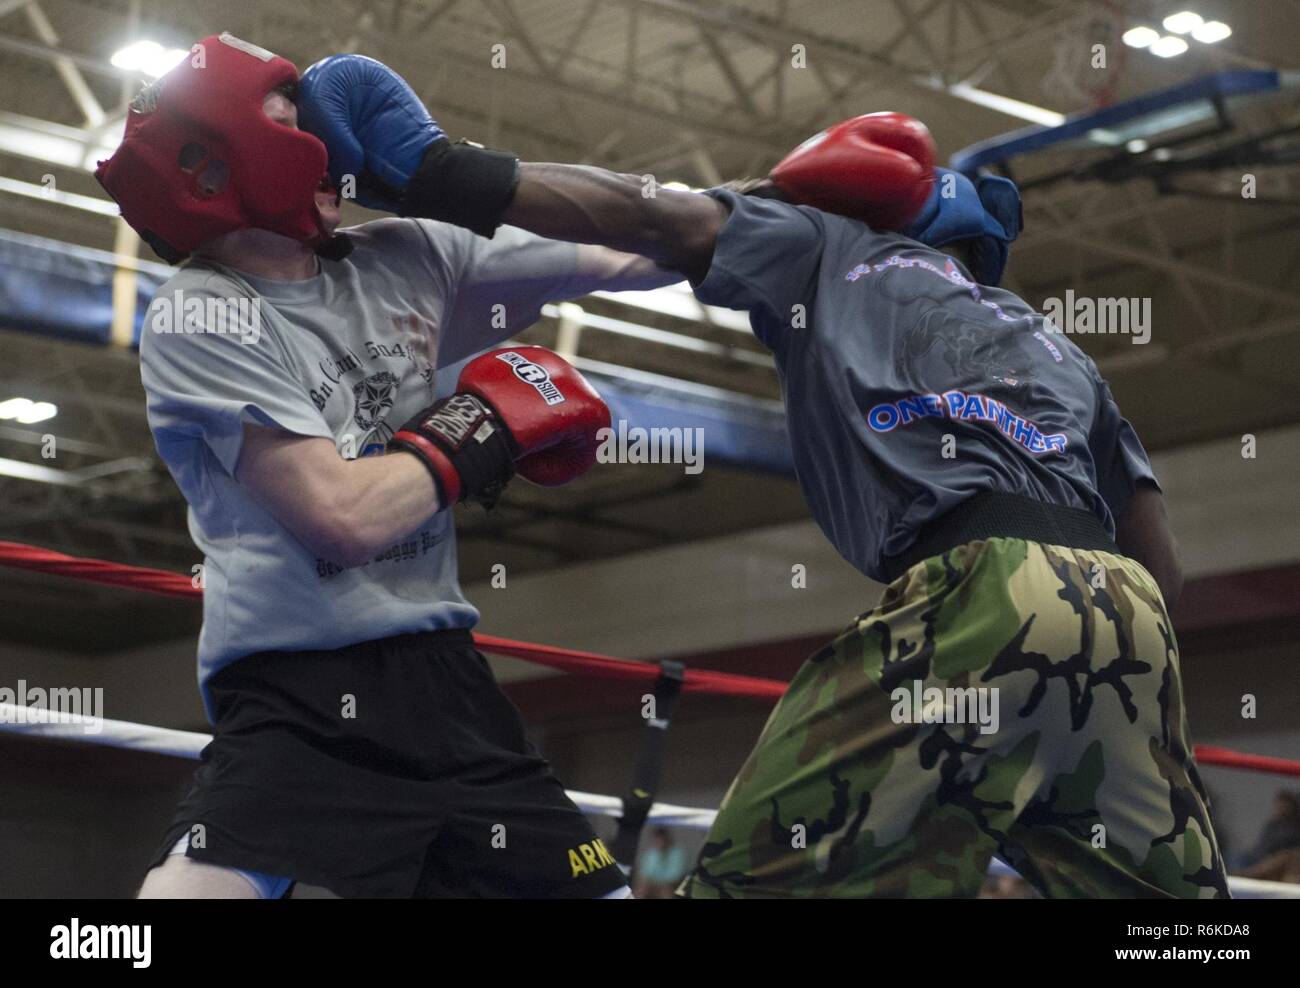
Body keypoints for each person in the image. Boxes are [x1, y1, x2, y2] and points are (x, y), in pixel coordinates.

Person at [297, 54, 1230, 898]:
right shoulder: (1064, 353)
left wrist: (436, 168)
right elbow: (1167, 571)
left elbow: (652, 214)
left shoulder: (830, 247)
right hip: (1131, 621)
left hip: (976, 590)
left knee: (756, 881)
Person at [98, 33, 678, 899]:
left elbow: (640, 242)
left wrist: (798, 214)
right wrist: (484, 420)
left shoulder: (410, 255)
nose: (332, 146)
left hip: (448, 684)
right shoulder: (202, 314)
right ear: (213, 168)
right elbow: (346, 517)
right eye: (296, 125)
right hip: (301, 695)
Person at [633, 827, 690, 899]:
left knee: (666, 892)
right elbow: (645, 873)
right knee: (641, 889)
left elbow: (676, 876)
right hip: (651, 885)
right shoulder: (651, 853)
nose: (659, 842)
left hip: (668, 886)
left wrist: (658, 883)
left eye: (661, 839)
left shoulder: (678, 853)